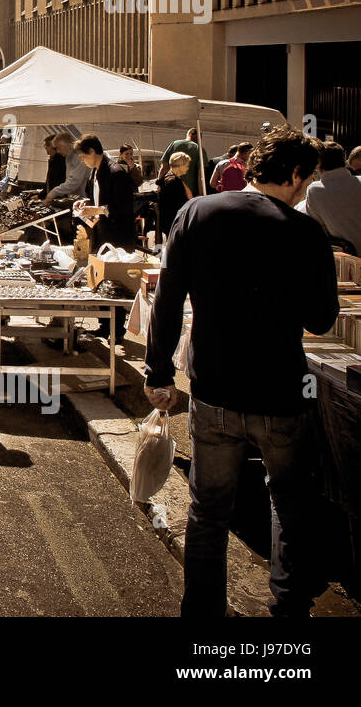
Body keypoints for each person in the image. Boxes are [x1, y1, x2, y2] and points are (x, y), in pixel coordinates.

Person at [145, 127, 337, 617]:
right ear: (294, 174)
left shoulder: (197, 213)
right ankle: (289, 606)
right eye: (307, 179)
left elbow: (167, 301)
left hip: (212, 388)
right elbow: (321, 319)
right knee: (289, 502)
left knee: (209, 510)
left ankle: (202, 610)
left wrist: (159, 372)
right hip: (280, 390)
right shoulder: (305, 232)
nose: (306, 189)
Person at [74, 134, 138, 250]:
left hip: (118, 239)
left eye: (83, 156)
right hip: (100, 235)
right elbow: (100, 198)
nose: (82, 161)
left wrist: (98, 209)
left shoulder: (116, 173)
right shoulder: (94, 172)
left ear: (92, 151)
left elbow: (125, 206)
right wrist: (86, 202)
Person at [297, 141, 361, 253]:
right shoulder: (358, 182)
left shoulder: (315, 190)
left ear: (318, 163)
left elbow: (315, 226)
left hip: (348, 259)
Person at [156, 153, 194, 241]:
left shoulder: (173, 178)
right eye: (187, 165)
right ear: (180, 165)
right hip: (173, 221)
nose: (188, 168)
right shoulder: (173, 181)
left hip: (171, 221)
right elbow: (179, 203)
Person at [161, 127, 209, 196]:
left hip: (169, 188)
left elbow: (164, 168)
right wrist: (201, 194)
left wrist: (160, 185)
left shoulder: (174, 144)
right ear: (200, 138)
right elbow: (201, 175)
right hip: (189, 193)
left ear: (188, 135)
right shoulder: (199, 149)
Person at [44, 130, 90, 202]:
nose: (58, 151)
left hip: (84, 198)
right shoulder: (69, 157)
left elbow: (74, 181)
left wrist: (53, 193)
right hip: (77, 199)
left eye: (59, 148)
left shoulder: (79, 157)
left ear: (67, 145)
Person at [42, 133, 66, 197]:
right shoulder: (53, 159)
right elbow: (49, 181)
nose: (45, 148)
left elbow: (56, 181)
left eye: (46, 146)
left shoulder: (60, 161)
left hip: (57, 198)